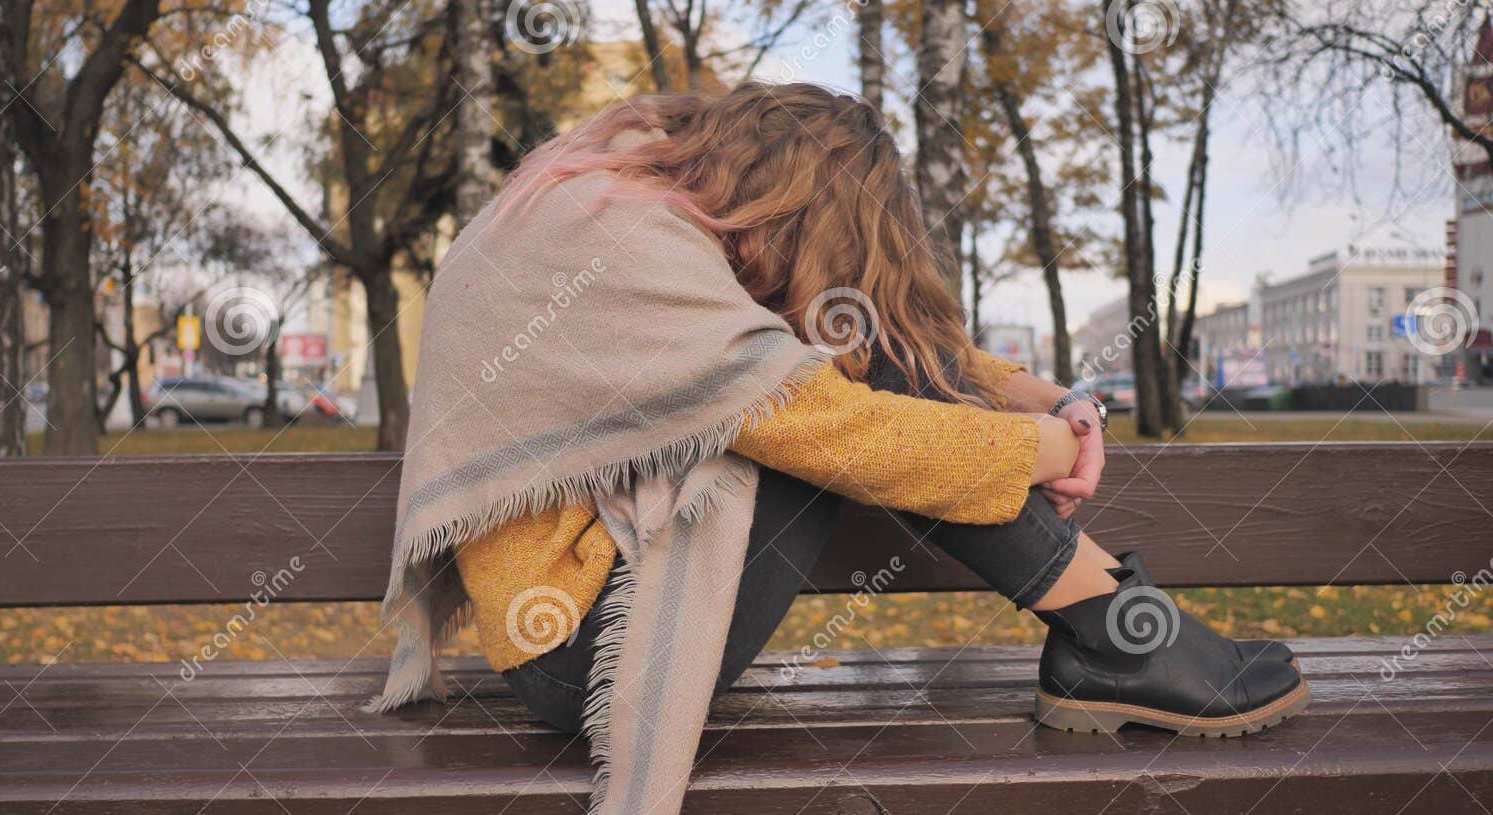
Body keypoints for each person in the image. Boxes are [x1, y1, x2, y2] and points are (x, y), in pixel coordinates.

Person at [455, 82, 1307, 740]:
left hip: (598, 612)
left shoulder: (629, 207)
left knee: (847, 352)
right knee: (843, 399)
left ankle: (1115, 636)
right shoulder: (633, 257)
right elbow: (840, 428)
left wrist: (1034, 394)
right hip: (590, 658)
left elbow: (857, 337)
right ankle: (1119, 637)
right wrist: (1041, 446)